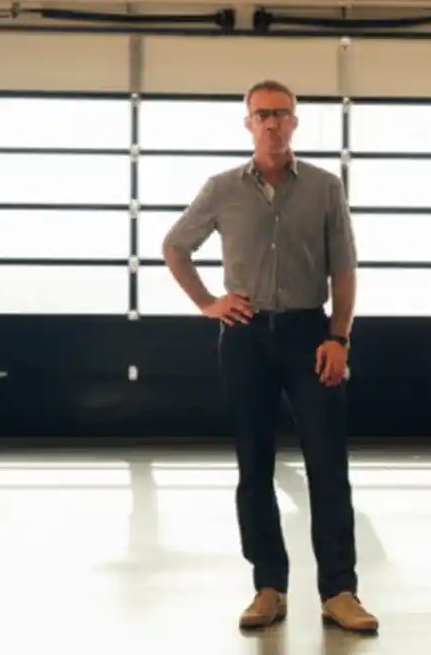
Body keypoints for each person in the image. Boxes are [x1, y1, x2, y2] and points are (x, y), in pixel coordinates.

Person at [161, 79, 378, 634]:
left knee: (328, 464)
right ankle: (268, 587)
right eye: (262, 115)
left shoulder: (325, 188)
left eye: (282, 113)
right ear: (249, 124)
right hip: (246, 337)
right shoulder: (221, 189)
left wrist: (339, 337)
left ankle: (339, 591)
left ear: (295, 122)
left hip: (311, 336)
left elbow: (344, 269)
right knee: (254, 465)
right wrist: (208, 303)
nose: (273, 123)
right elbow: (175, 246)